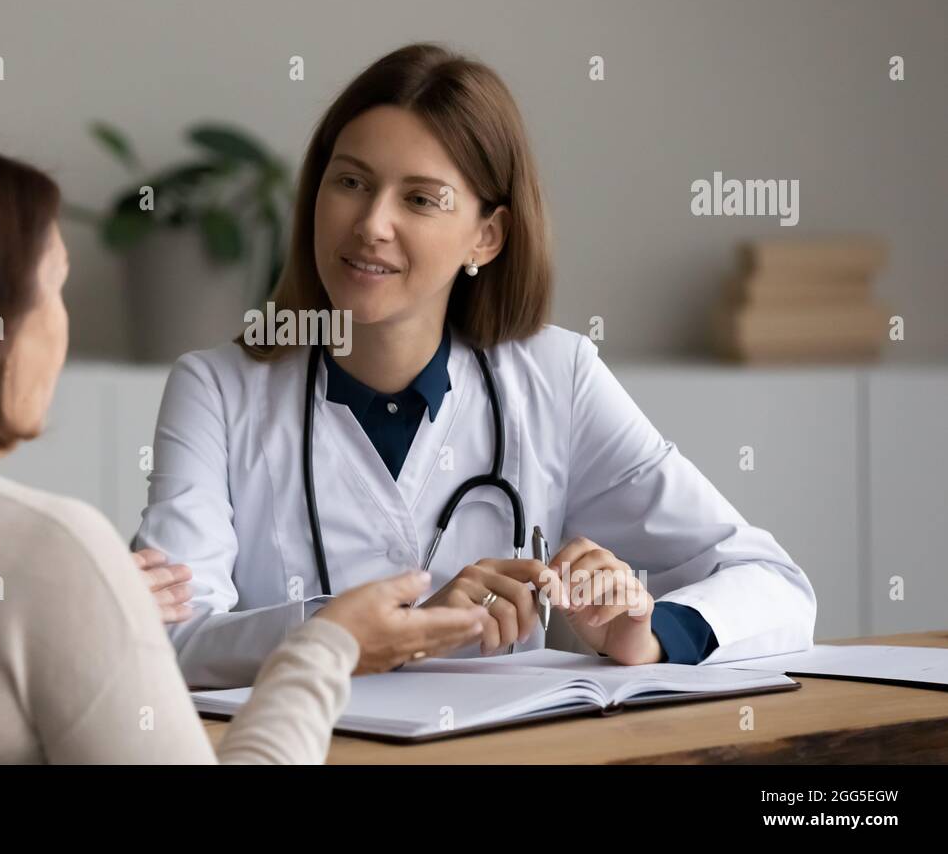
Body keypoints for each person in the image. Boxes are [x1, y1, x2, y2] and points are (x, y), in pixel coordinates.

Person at [0, 143, 485, 764]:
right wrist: (329, 646)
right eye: (54, 290)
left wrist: (90, 612)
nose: (60, 330)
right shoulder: (47, 550)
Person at [133, 42, 817, 689]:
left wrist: (647, 632)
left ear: (486, 237)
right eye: (350, 182)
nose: (371, 223)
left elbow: (771, 582)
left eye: (420, 198)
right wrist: (373, 629)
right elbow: (170, 641)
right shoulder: (218, 391)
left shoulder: (557, 377)